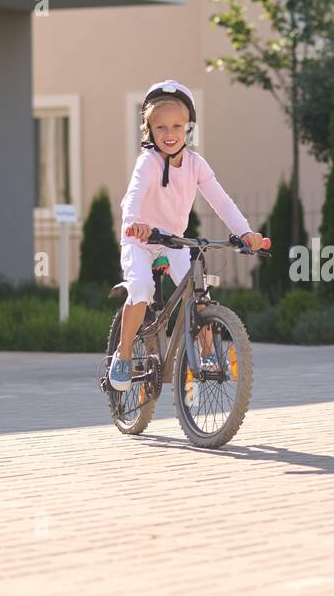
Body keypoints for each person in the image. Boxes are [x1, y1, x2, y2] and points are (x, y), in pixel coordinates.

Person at [108, 80, 264, 391]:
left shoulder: (195, 164)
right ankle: (123, 355)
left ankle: (208, 354)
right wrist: (135, 222)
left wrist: (244, 232)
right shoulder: (148, 162)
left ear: (188, 128)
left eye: (177, 126)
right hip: (139, 239)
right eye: (161, 126)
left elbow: (220, 200)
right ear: (149, 130)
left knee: (198, 290)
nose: (169, 133)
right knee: (140, 286)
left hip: (173, 241)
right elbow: (135, 194)